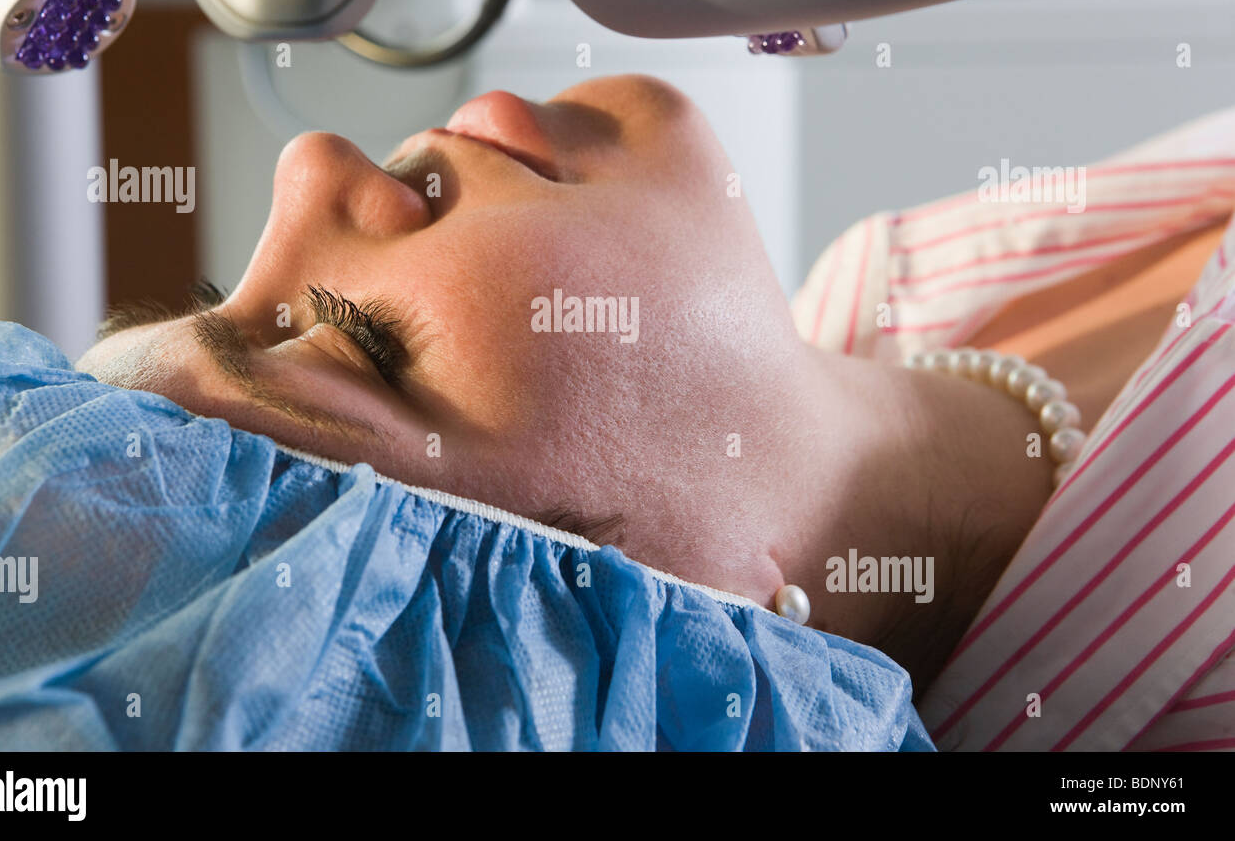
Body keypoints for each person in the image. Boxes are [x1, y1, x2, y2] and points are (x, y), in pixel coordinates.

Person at [77, 75, 1235, 742]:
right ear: (688, 628)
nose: (308, 167)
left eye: (221, 288)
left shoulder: (879, 293)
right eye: (354, 342)